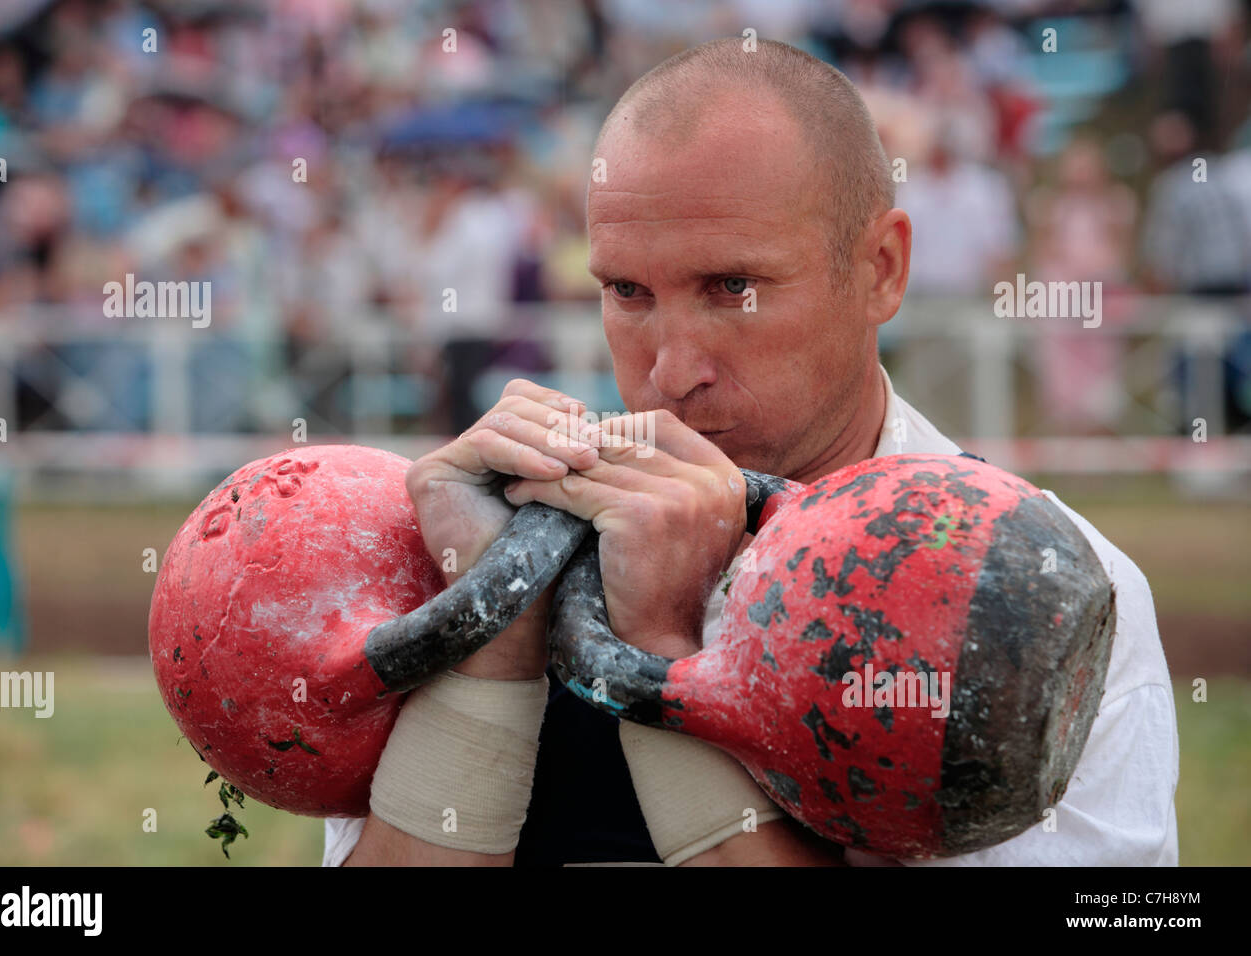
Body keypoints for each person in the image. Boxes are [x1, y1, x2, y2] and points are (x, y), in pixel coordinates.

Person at [324, 38, 1179, 867]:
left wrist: (657, 660)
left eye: (733, 288)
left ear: (880, 268)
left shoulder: (1042, 595)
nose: (670, 370)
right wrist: (486, 636)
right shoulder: (470, 554)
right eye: (627, 291)